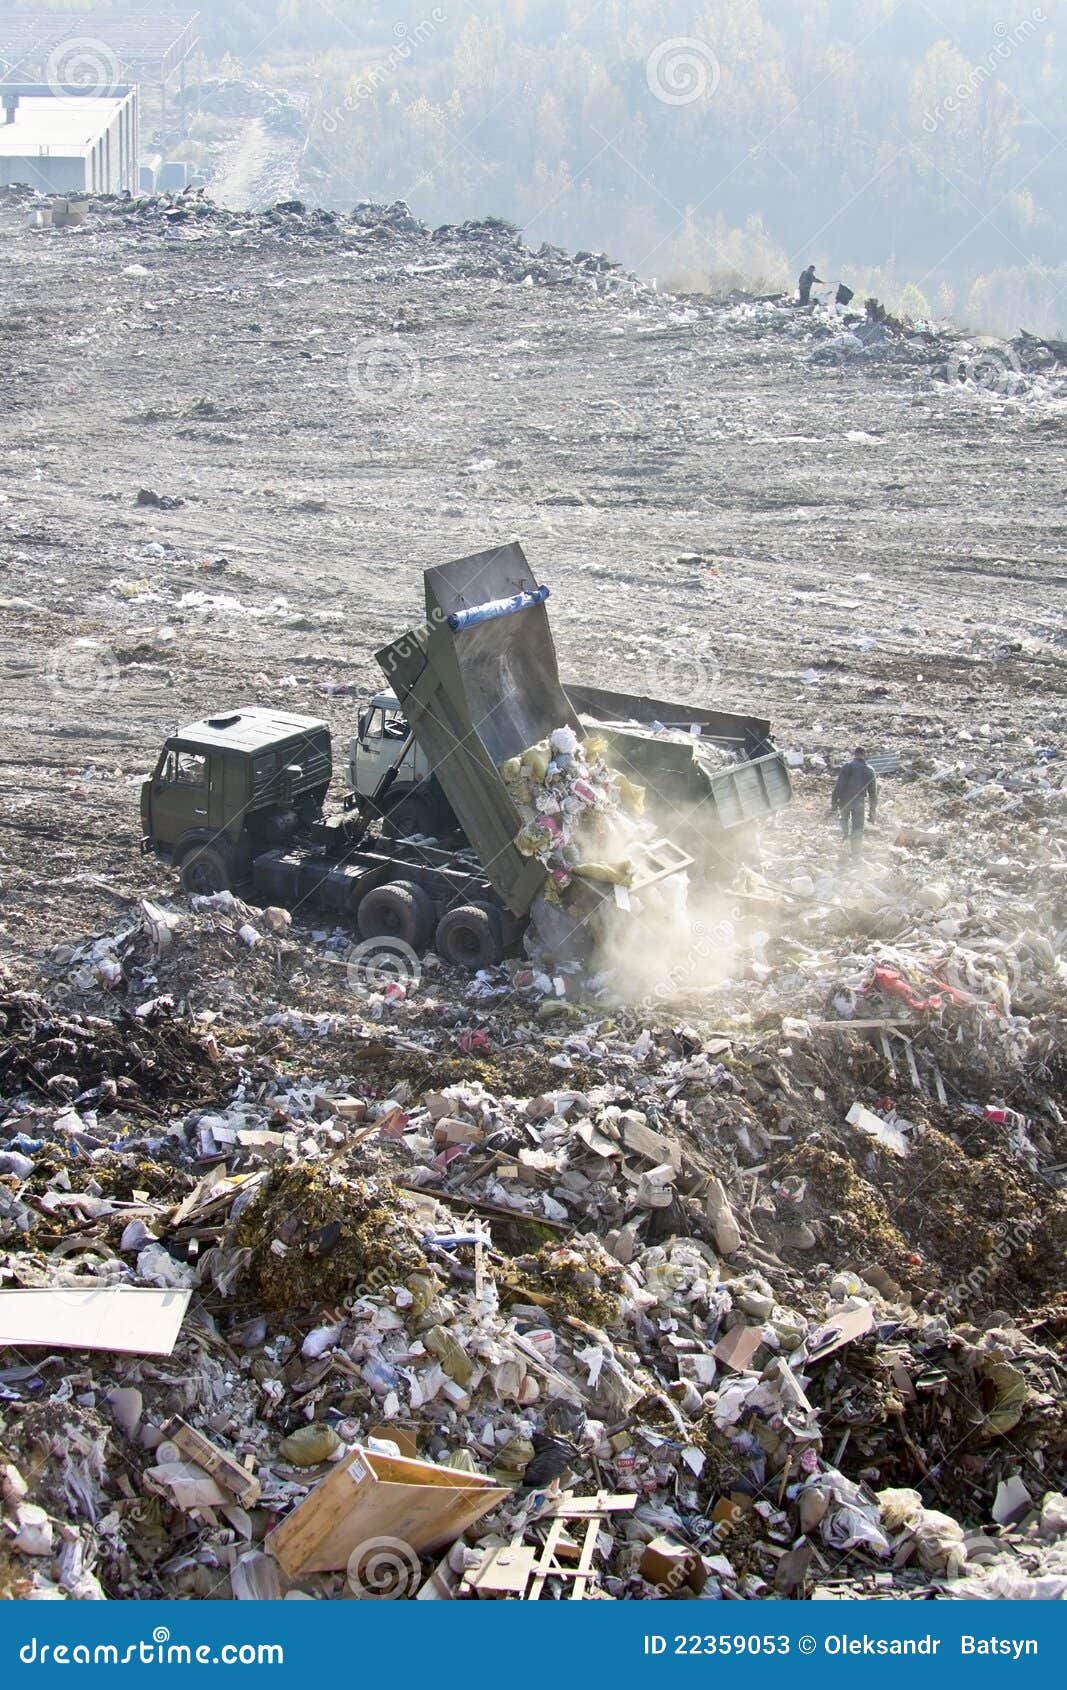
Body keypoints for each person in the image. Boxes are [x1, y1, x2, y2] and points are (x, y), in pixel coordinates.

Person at [831, 746, 877, 860]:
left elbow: (839, 785)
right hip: (859, 803)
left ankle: (845, 842)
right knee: (857, 828)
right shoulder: (870, 770)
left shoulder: (847, 766)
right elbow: (873, 794)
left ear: (854, 754)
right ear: (864, 755)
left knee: (844, 820)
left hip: (845, 801)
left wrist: (834, 802)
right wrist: (872, 812)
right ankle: (856, 854)